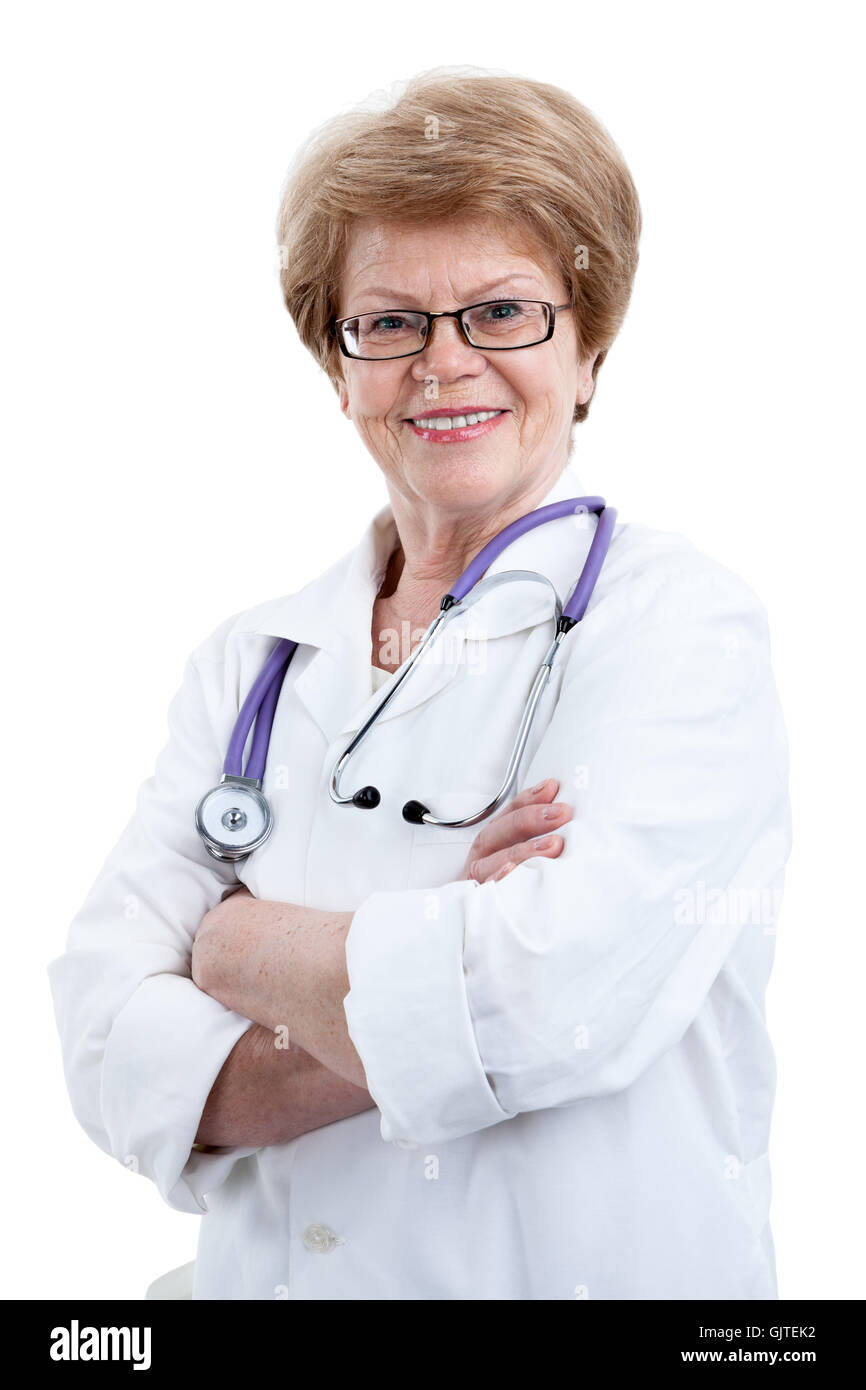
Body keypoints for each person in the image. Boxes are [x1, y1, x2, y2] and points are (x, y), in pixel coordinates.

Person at [47, 67, 791, 1301]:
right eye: (389, 322)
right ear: (338, 369)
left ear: (589, 347)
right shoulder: (254, 662)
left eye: (501, 312)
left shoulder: (677, 632)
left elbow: (547, 1000)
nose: (443, 364)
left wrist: (233, 944)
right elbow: (105, 1049)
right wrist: (433, 938)